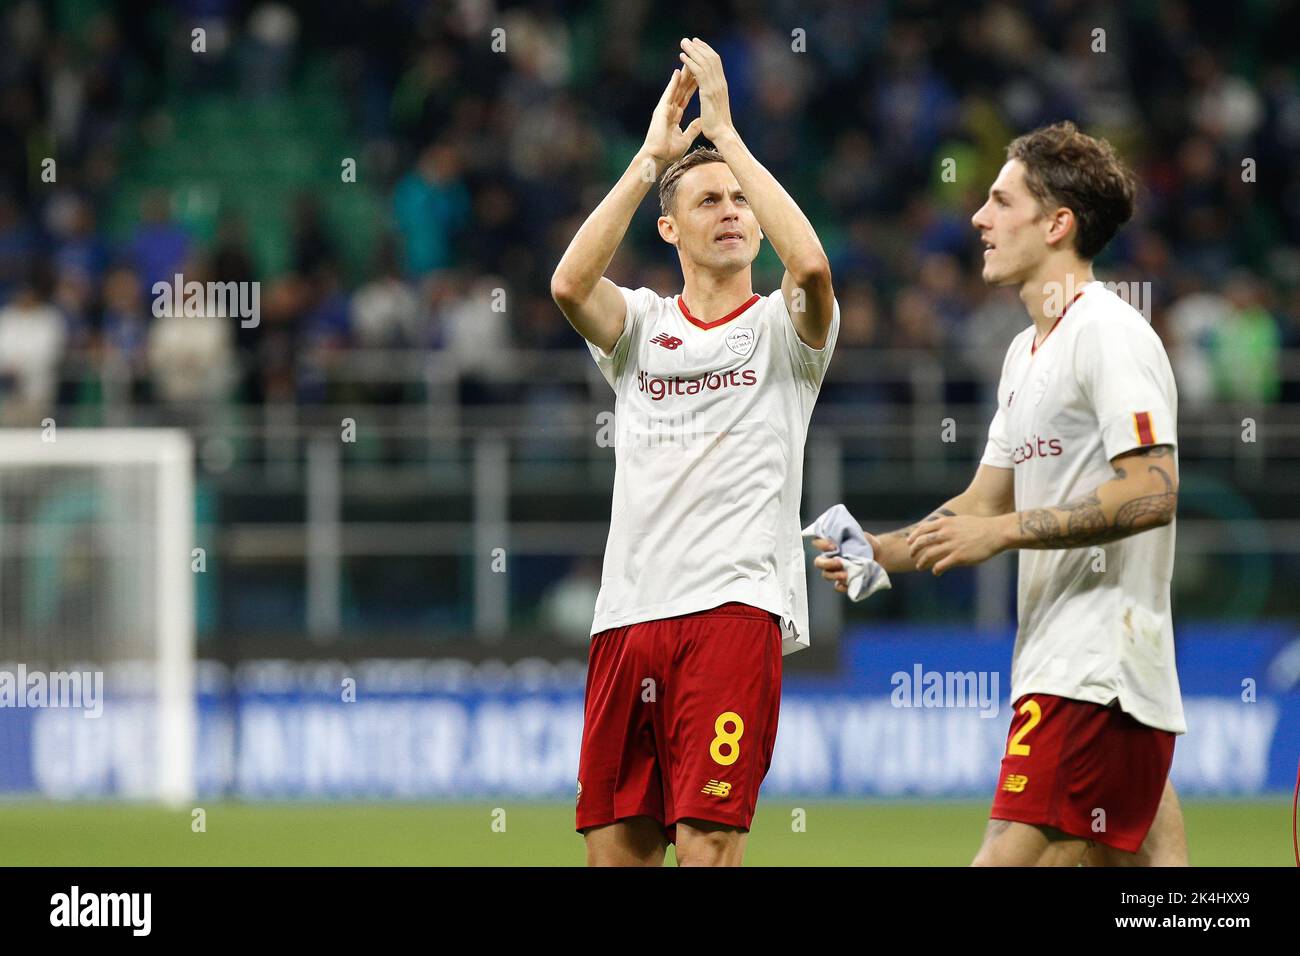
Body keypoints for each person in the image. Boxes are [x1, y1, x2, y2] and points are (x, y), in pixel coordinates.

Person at [813, 122, 1188, 867]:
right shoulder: (1024, 351)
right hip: (1072, 665)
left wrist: (1009, 532)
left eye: (999, 200)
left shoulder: (1109, 334)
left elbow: (1154, 489)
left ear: (1057, 224)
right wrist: (884, 552)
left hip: (1093, 668)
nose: (978, 219)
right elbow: (984, 502)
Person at [551, 37, 839, 867]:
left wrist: (729, 137)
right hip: (626, 618)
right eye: (710, 198)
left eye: (740, 199)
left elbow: (813, 265)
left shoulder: (785, 333)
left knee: (707, 845)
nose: (731, 210)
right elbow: (569, 285)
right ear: (670, 226)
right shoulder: (641, 327)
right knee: (616, 854)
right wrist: (650, 159)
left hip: (733, 613)